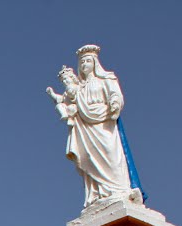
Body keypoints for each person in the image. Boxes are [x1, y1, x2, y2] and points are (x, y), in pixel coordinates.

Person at [45, 44, 132, 208]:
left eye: (87, 61)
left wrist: (114, 104)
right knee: (90, 158)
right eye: (82, 62)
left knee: (110, 154)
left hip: (103, 122)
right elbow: (65, 101)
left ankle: (118, 190)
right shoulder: (79, 88)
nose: (84, 65)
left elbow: (115, 94)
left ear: (94, 62)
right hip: (86, 129)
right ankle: (99, 193)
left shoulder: (106, 79)